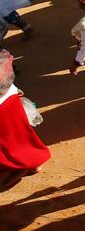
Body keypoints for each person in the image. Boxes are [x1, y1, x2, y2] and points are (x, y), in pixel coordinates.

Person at [0, 49, 49, 193]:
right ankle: (33, 162)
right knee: (20, 133)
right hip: (10, 99)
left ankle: (19, 166)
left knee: (5, 141)